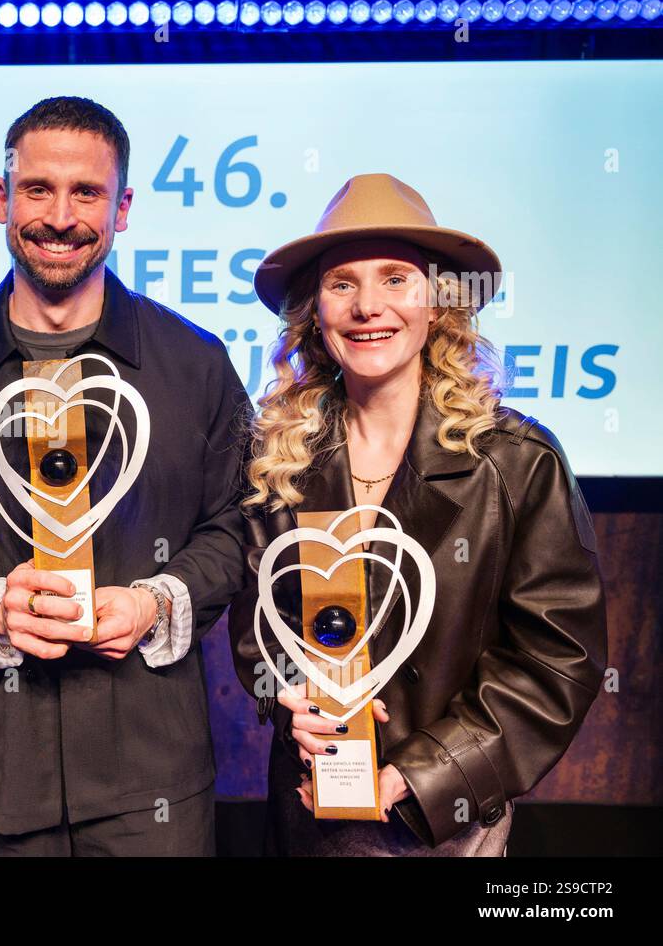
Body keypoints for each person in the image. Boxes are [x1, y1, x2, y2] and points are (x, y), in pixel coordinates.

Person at [0, 96, 251, 855]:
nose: (60, 215)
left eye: (88, 193)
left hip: (155, 778)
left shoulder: (196, 363)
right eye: (37, 189)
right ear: (1, 199)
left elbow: (238, 528)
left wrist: (155, 602)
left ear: (123, 209)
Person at [229, 173, 607, 855]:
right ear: (315, 312)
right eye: (342, 283)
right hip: (310, 813)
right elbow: (261, 629)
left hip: (450, 824)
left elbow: (558, 663)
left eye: (396, 278)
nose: (368, 306)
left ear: (438, 304)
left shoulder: (517, 461)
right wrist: (290, 706)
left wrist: (416, 775)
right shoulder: (277, 459)